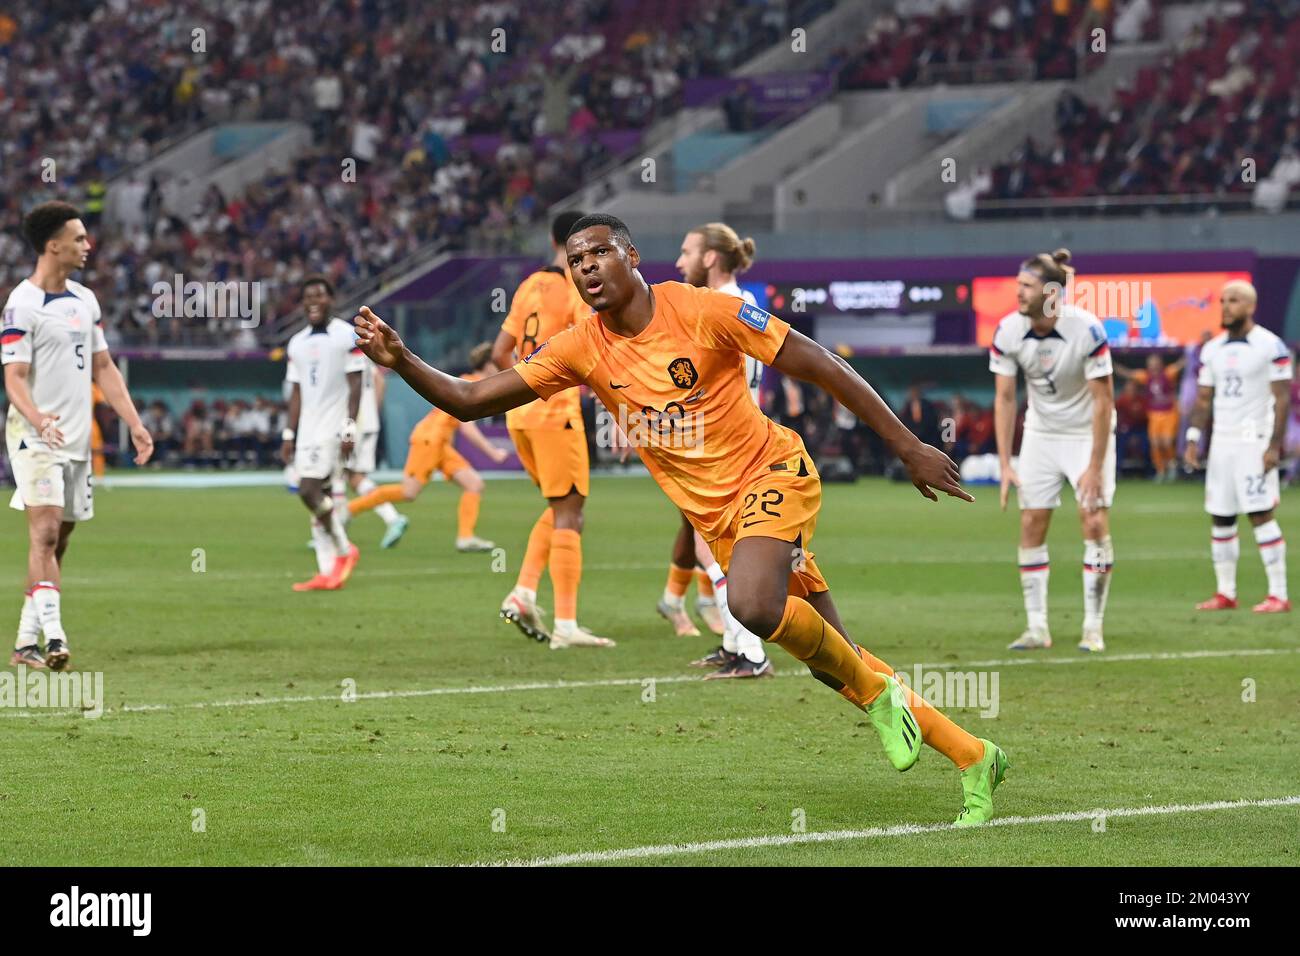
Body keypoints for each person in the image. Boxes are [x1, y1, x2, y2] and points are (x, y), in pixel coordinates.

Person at [353, 213, 1007, 826]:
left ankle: (880, 698)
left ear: (632, 257)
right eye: (575, 259)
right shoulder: (580, 347)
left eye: (600, 252)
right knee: (833, 661)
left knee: (752, 605)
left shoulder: (703, 310)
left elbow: (820, 363)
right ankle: (976, 756)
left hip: (775, 474)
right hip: (719, 519)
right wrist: (403, 359)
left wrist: (906, 445)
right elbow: (470, 399)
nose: (585, 267)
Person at [3, 201, 154, 670]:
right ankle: (55, 638)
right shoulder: (20, 304)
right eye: (80, 238)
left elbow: (103, 367)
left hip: (75, 443)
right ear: (54, 245)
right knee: (44, 534)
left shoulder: (85, 301)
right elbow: (14, 377)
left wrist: (134, 422)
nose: (88, 246)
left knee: (59, 542)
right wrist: (38, 417)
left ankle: (24, 642)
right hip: (34, 437)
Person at [490, 211, 612, 649]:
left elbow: (500, 349)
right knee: (571, 512)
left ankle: (523, 592)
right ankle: (565, 624)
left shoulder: (529, 285)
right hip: (555, 414)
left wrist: (526, 388)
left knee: (560, 507)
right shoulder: (574, 284)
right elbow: (596, 343)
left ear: (548, 236)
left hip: (520, 415)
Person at [991, 248, 1116, 653]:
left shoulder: (1088, 331)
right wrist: (1007, 462)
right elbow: (1006, 399)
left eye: (1026, 286)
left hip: (1086, 435)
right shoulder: (1008, 331)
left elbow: (1104, 402)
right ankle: (1037, 628)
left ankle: (1093, 628)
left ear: (1051, 292)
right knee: (1031, 523)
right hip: (1041, 434)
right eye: (1017, 285)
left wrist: (1094, 467)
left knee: (1093, 521)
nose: (1018, 293)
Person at [663, 222, 771, 679]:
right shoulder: (735, 303)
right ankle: (736, 642)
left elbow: (726, 381)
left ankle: (750, 650)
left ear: (710, 258)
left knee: (715, 544)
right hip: (721, 438)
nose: (679, 261)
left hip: (726, 441)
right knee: (713, 542)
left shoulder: (728, 306)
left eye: (686, 251)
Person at [1184, 280, 1292, 613]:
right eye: (1223, 300)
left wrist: (1273, 445)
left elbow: (1282, 398)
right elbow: (1204, 400)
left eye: (1234, 301)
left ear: (1250, 306)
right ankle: (1226, 593)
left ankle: (1279, 594)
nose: (1226, 306)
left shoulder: (1270, 346)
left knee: (1260, 513)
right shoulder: (1212, 349)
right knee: (1221, 516)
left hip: (1253, 441)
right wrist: (1192, 438)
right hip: (1221, 445)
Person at [348, 342, 508, 550]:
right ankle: (347, 511)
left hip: (440, 443)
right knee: (408, 492)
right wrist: (493, 452)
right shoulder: (473, 384)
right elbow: (467, 429)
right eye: (496, 365)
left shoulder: (468, 381)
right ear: (487, 366)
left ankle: (466, 538)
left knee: (474, 484)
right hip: (429, 440)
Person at [281, 275, 362, 592]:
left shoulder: (347, 335)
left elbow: (356, 383)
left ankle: (345, 550)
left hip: (332, 426)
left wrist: (350, 425)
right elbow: (297, 391)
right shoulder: (296, 343)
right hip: (306, 431)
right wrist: (289, 433)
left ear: (331, 299)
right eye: (307, 296)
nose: (313, 301)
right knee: (321, 497)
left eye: (319, 295)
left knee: (308, 491)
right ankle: (329, 572)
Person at [343, 353, 408, 548]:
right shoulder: (364, 358)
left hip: (353, 423)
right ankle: (336, 529)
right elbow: (381, 382)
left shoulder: (342, 355)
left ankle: (333, 531)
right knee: (355, 478)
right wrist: (374, 411)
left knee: (341, 475)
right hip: (369, 421)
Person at [1114, 353, 1185, 480]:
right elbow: (1128, 373)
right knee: (1155, 443)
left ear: (1161, 364)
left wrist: (1192, 352)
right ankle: (1160, 470)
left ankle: (1172, 466)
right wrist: (1111, 364)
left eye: (1156, 364)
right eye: (1151, 365)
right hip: (1154, 414)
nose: (1154, 367)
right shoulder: (1145, 377)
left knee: (1167, 442)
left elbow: (1181, 364)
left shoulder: (1168, 374)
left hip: (1168, 413)